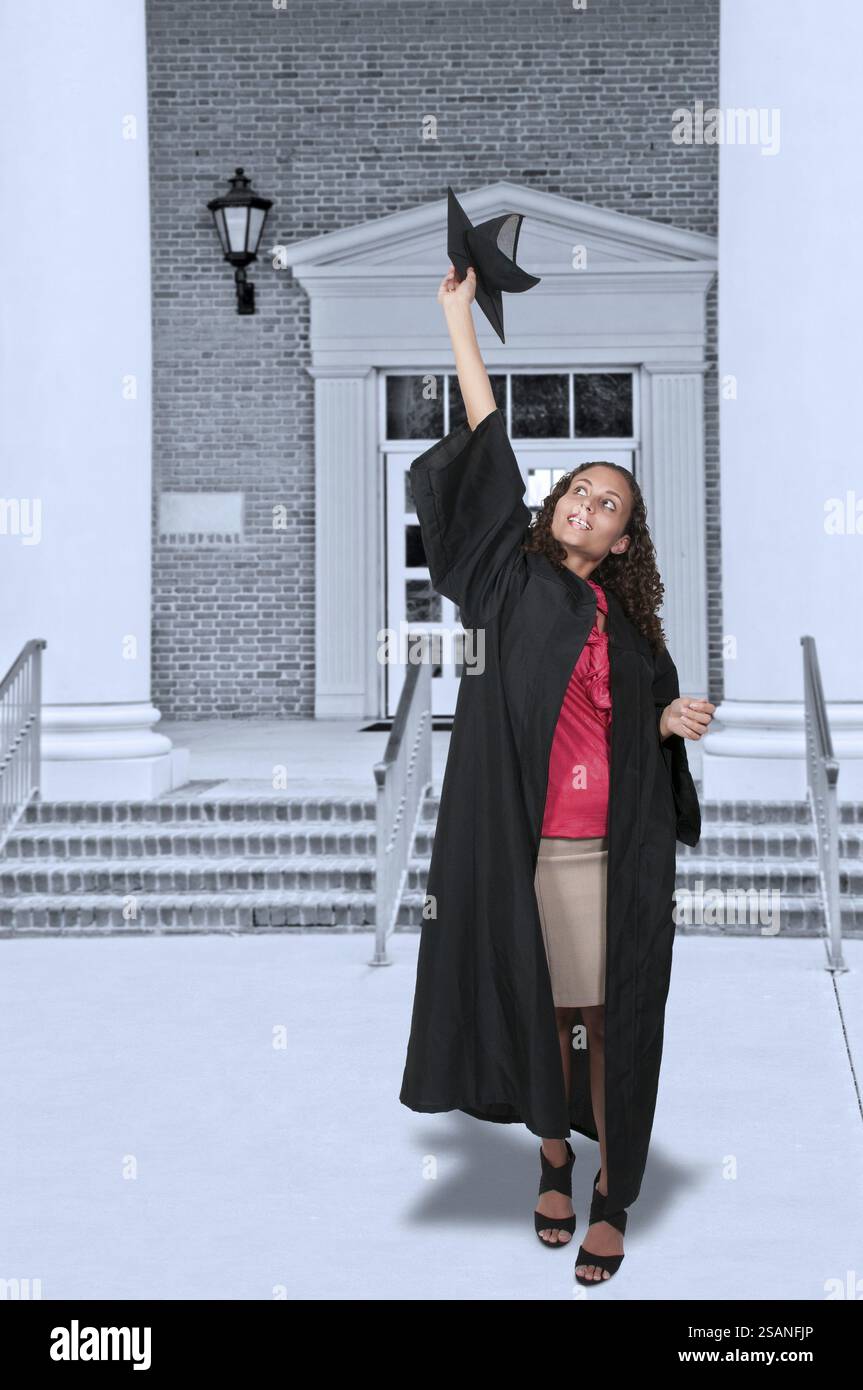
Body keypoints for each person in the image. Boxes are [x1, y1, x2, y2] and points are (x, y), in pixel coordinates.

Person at [399, 263, 715, 1285]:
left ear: (625, 539)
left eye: (607, 499)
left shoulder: (630, 632)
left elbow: (637, 729)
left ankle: (609, 1194)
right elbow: (490, 448)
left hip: (607, 855)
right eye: (578, 488)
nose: (587, 501)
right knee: (542, 1014)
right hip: (521, 848)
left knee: (607, 1017)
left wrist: (663, 718)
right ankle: (548, 1156)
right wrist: (458, 323)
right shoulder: (508, 581)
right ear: (556, 509)